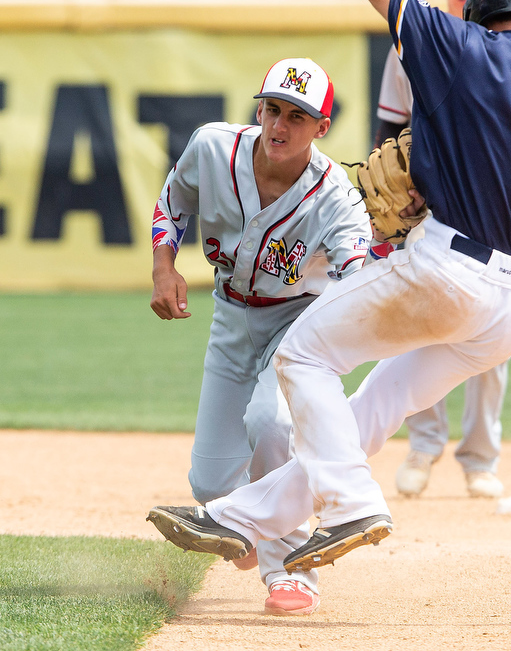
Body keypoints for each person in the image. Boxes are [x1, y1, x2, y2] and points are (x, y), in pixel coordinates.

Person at [146, 0, 511, 575]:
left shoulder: (464, 48)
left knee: (303, 354)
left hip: (450, 267)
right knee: (373, 405)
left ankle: (350, 503)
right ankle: (241, 519)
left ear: (482, 4)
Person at [148, 56, 372, 616]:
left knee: (271, 425)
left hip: (298, 322)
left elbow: (356, 283)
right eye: (272, 109)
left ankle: (291, 570)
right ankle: (251, 523)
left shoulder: (336, 198)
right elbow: (173, 204)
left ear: (322, 128)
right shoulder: (212, 147)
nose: (278, 125)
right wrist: (163, 267)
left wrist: (378, 261)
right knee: (209, 486)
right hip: (230, 314)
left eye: (296, 116)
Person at [377, 0, 508, 500]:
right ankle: (424, 445)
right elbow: (389, 131)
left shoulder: (507, 39)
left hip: (491, 206)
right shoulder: (418, 38)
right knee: (418, 326)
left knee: (493, 333)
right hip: (428, 205)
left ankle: (480, 457)